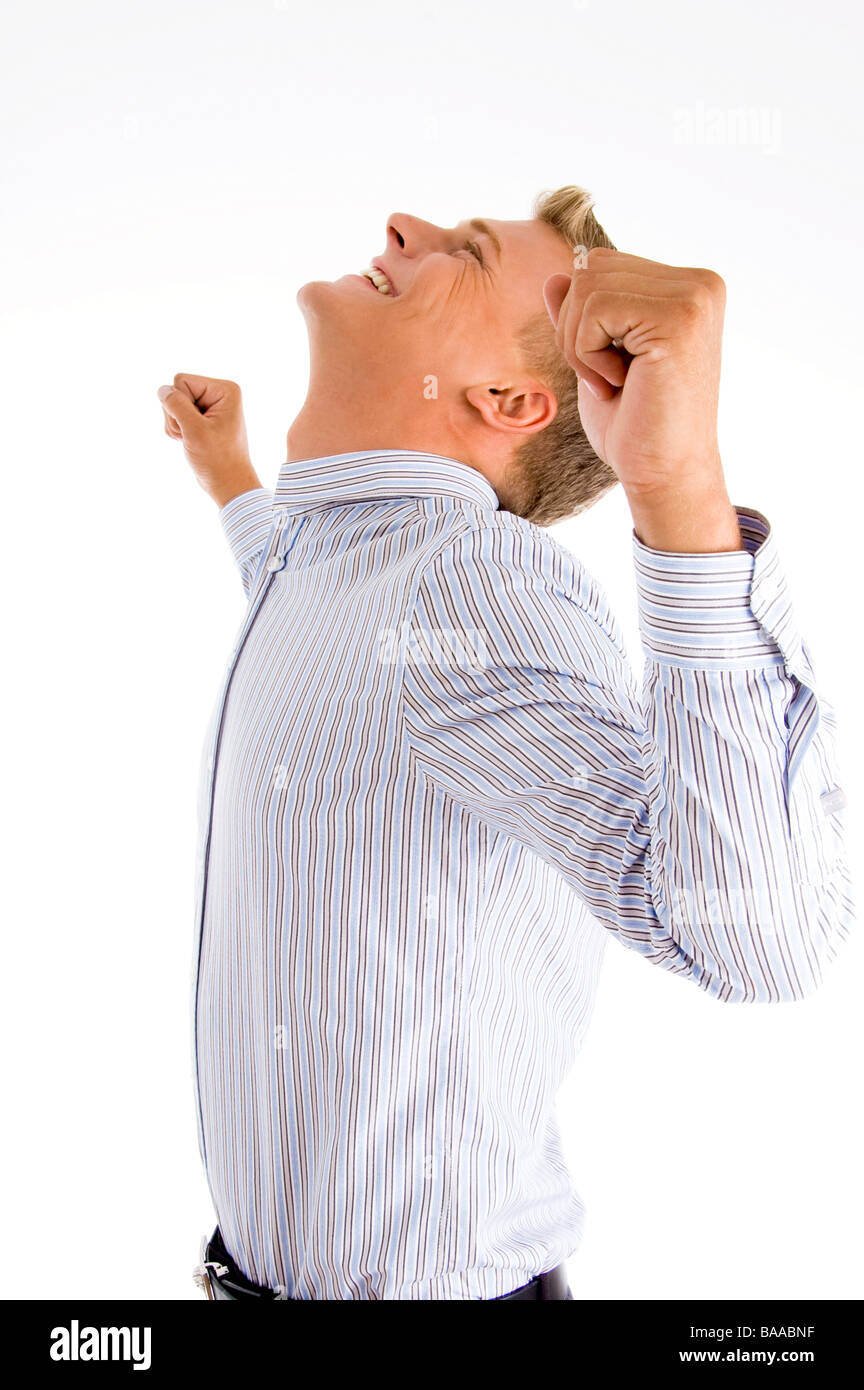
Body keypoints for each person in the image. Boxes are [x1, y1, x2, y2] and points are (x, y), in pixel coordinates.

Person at [158, 185, 853, 1301]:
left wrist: (676, 484)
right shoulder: (338, 565)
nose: (400, 225)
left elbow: (754, 941)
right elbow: (312, 615)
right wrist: (231, 476)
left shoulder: (469, 586)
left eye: (466, 254)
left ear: (504, 398)